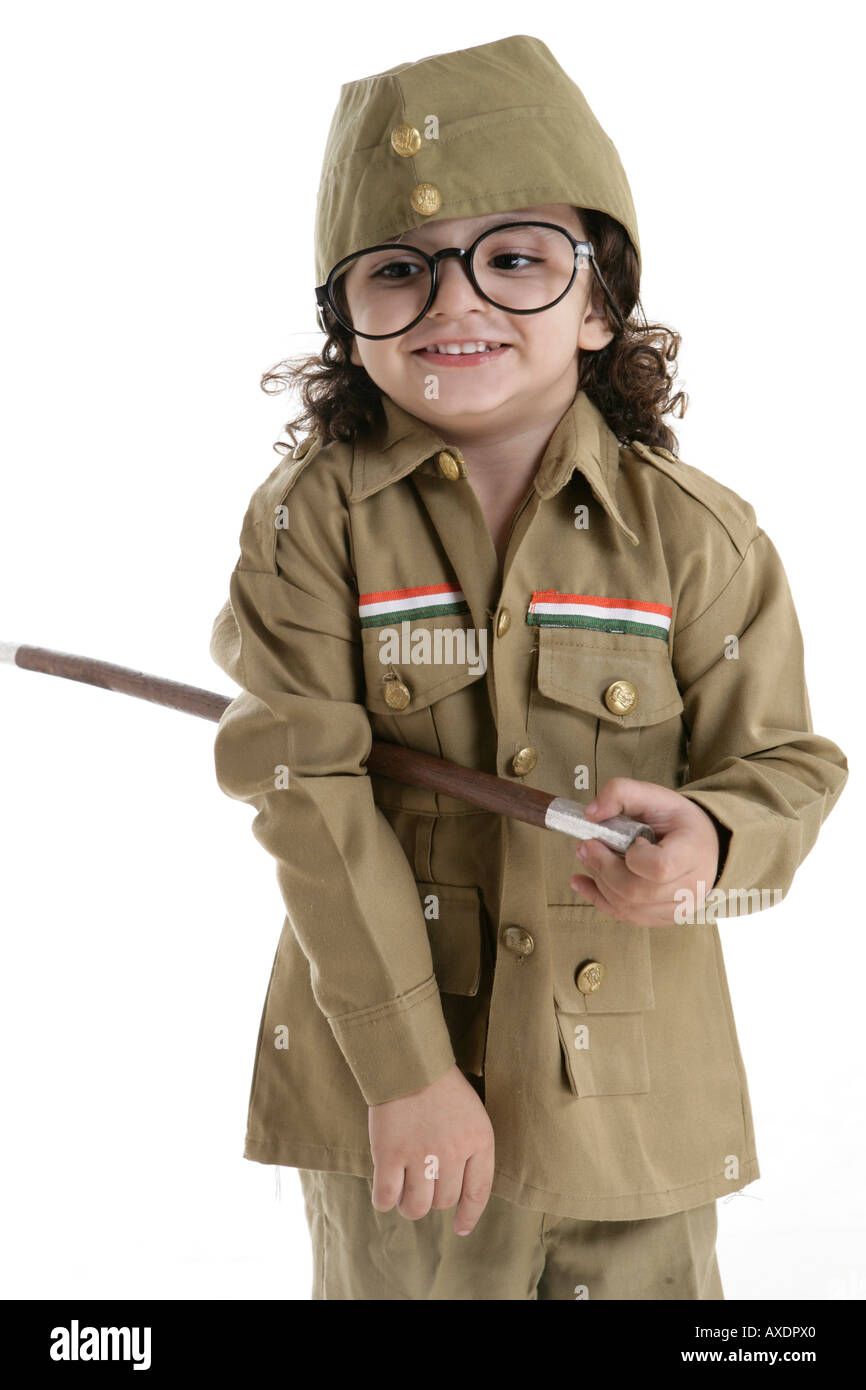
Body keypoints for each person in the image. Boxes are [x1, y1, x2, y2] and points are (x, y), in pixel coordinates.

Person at [208, 34, 848, 1300]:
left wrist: (713, 841)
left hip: (636, 1110)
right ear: (347, 319)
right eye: (399, 271)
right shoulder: (307, 525)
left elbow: (784, 764)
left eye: (513, 260)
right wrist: (406, 1070)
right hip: (401, 1119)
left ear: (598, 300)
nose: (455, 304)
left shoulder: (699, 537)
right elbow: (308, 798)